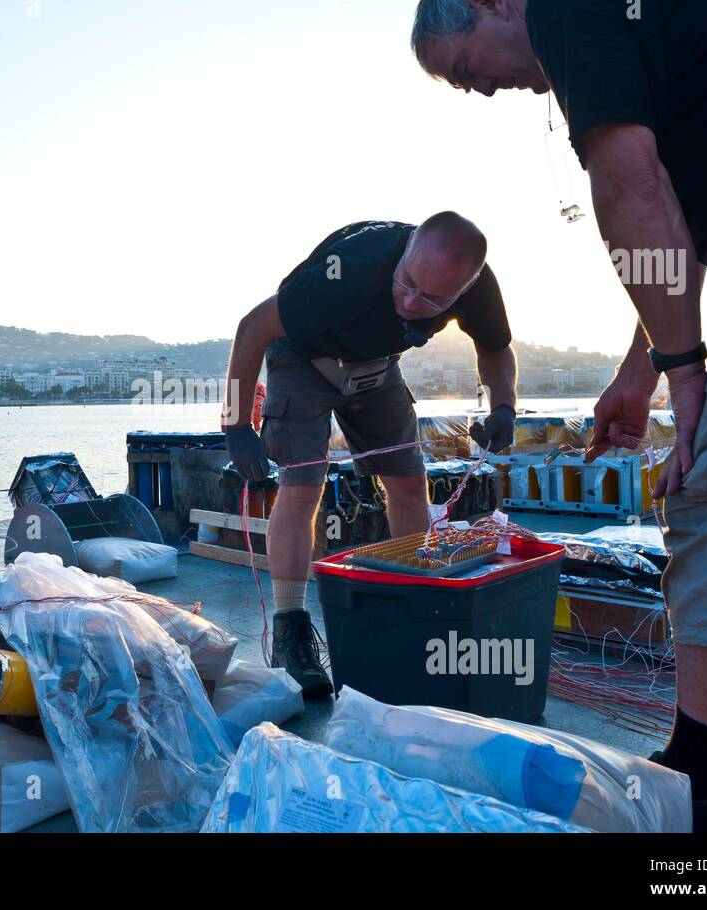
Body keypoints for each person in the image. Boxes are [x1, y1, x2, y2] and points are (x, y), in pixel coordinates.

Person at [412, 0, 707, 831]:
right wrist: (645, 366)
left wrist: (688, 372)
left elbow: (630, 189)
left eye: (468, 69)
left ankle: (704, 795)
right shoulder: (648, 2)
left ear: (493, 1)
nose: (483, 91)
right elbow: (670, 216)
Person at [222, 214, 518, 696]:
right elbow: (252, 326)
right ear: (404, 255)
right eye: (406, 284)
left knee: (407, 481)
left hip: (375, 367)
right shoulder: (348, 272)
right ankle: (291, 630)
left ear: (462, 291)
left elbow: (495, 346)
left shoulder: (479, 287)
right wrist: (236, 426)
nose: (409, 301)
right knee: (303, 486)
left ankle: (423, 605)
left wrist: (503, 406)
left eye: (431, 300)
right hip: (303, 358)